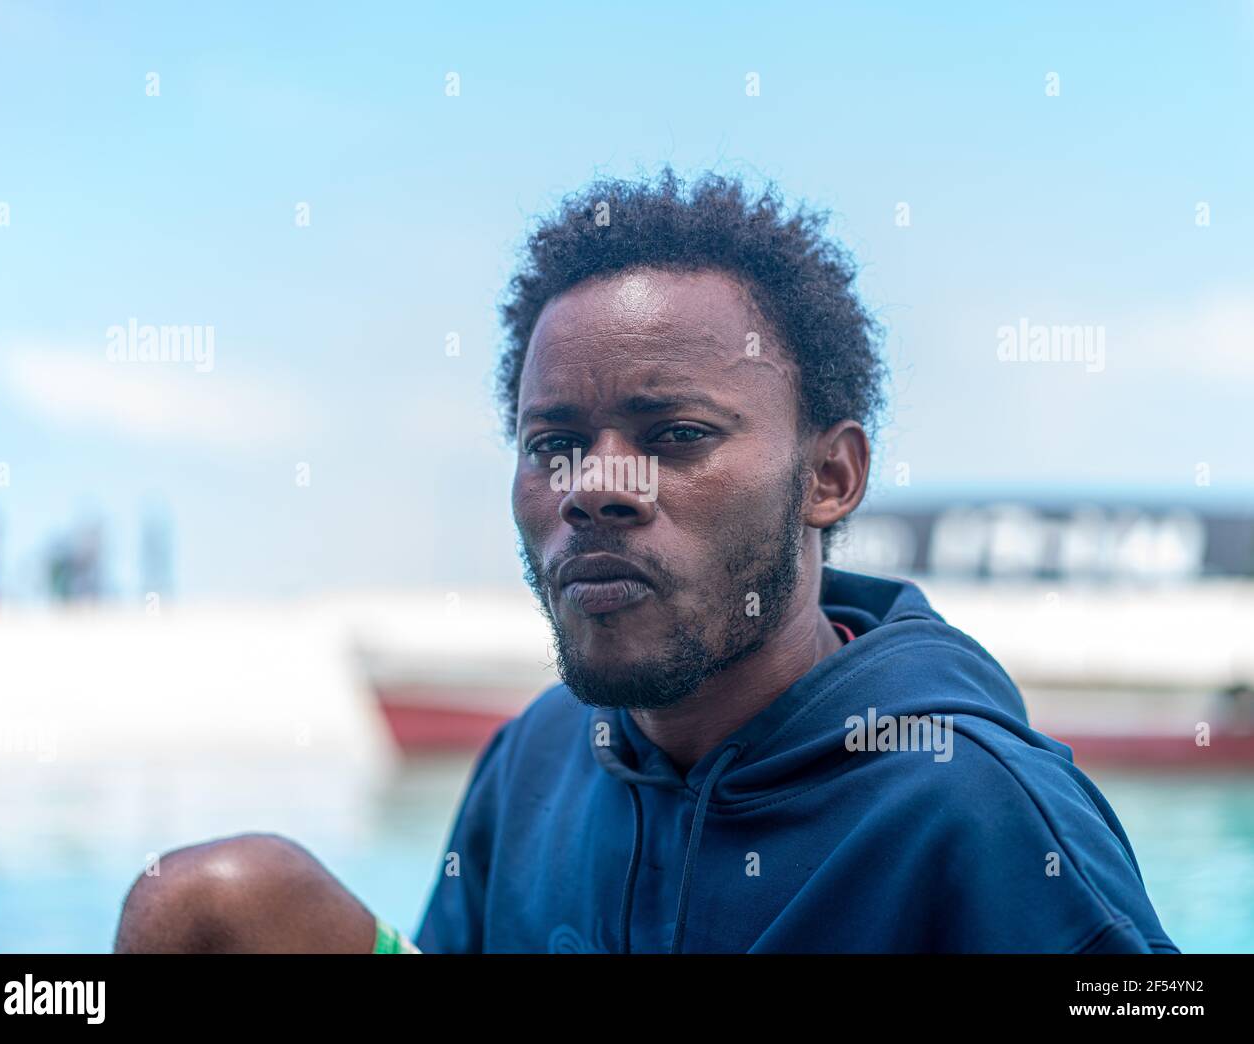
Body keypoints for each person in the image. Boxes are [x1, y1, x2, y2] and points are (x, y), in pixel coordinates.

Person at [115, 169, 1176, 954]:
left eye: (674, 435)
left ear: (830, 478)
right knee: (210, 903)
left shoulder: (976, 813)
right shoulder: (537, 756)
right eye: (550, 445)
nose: (591, 486)